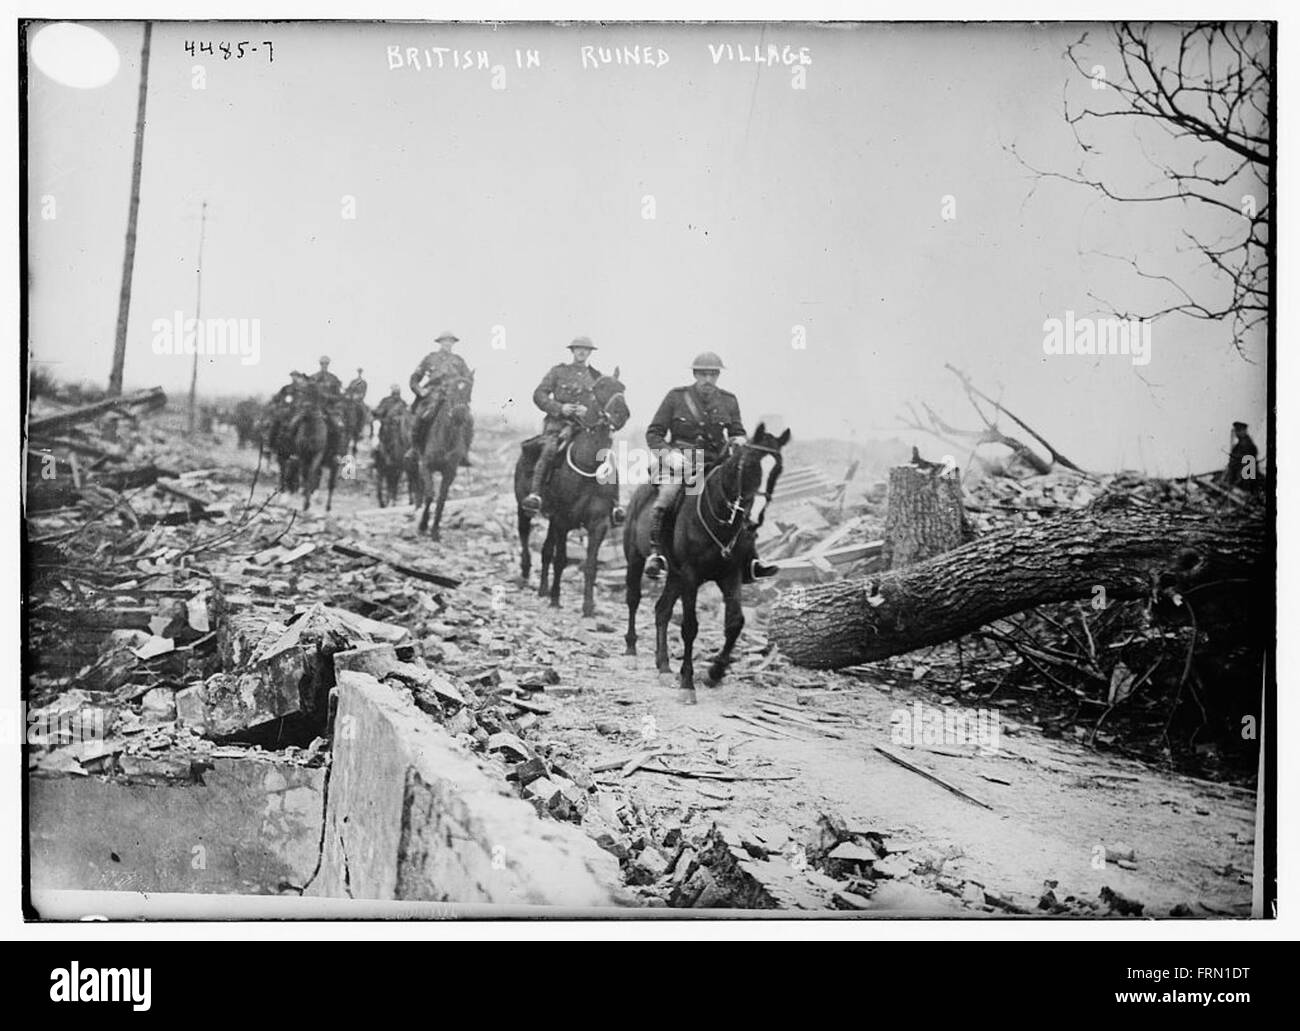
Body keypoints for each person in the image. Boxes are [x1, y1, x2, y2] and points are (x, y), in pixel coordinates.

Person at [643, 352, 778, 580]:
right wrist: (668, 455)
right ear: (695, 374)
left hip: (716, 462)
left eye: (713, 374)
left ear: (717, 376)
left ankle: (750, 560)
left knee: (744, 499)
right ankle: (658, 555)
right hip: (682, 462)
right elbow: (653, 433)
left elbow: (737, 431)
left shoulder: (728, 400)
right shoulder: (676, 397)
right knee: (667, 496)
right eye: (703, 374)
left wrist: (739, 440)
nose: (708, 379)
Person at [523, 337, 603, 512]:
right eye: (578, 349)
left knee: (604, 457)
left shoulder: (597, 378)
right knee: (549, 449)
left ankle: (611, 505)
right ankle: (535, 494)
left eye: (585, 350)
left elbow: (602, 406)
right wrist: (560, 408)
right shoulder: (558, 372)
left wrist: (588, 411)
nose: (582, 352)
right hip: (557, 426)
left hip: (584, 429)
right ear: (572, 351)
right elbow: (539, 395)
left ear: (590, 353)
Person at [408, 331, 472, 463]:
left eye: (450, 341)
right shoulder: (430, 358)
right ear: (440, 343)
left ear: (453, 343)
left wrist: (463, 391)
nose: (448, 343)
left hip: (453, 396)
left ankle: (463, 452)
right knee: (423, 415)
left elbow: (467, 380)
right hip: (434, 393)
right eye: (445, 341)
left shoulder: (459, 361)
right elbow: (414, 379)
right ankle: (415, 448)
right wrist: (420, 391)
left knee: (468, 419)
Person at [309, 356, 346, 454]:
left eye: (326, 364)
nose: (324, 366)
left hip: (329, 409)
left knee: (339, 427)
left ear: (328, 365)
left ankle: (337, 453)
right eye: (322, 363)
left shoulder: (333, 379)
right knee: (293, 422)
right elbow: (307, 393)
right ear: (319, 364)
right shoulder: (313, 378)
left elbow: (339, 396)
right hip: (314, 408)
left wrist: (328, 396)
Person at [1225, 421, 1260, 490]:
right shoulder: (1238, 446)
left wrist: (1237, 482)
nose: (1237, 433)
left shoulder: (1248, 445)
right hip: (1238, 478)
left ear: (1245, 431)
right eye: (1236, 430)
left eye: (1239, 430)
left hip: (1244, 482)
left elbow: (1248, 469)